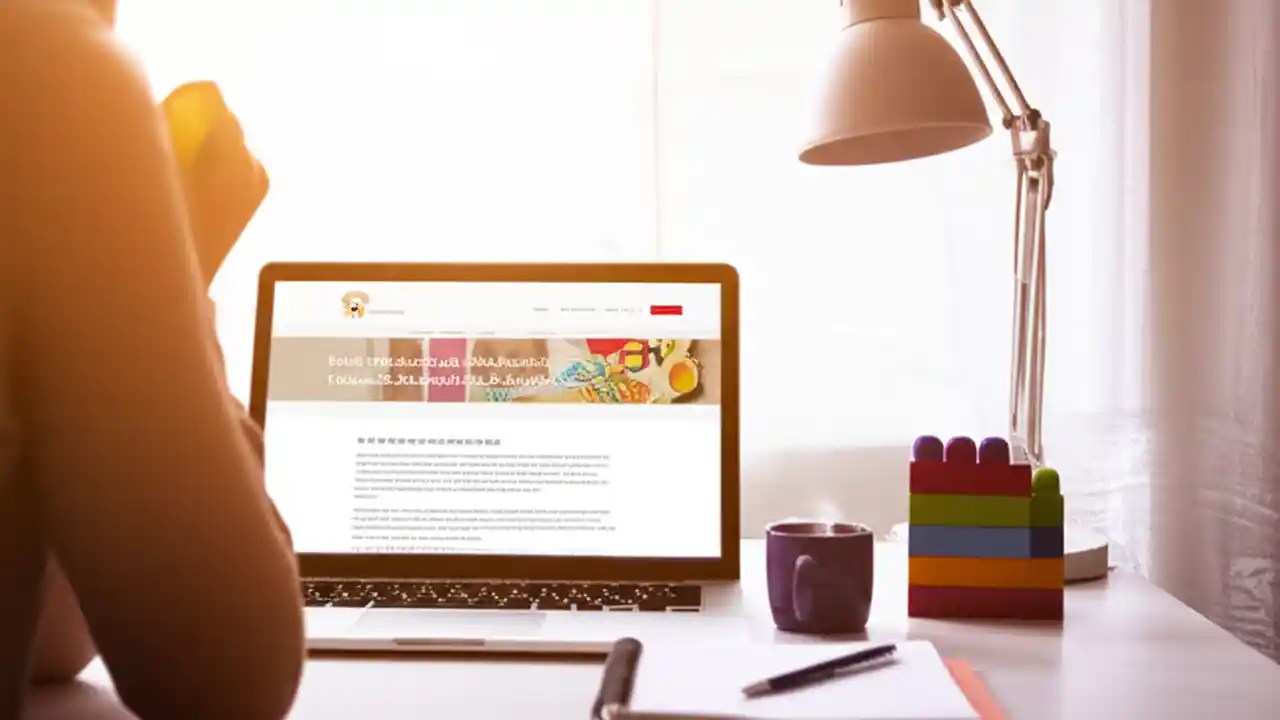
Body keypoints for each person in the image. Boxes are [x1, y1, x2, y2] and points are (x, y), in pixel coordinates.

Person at [0, 0, 305, 717]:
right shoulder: (45, 58)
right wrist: (169, 273)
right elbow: (222, 673)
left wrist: (118, 312)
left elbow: (40, 645)